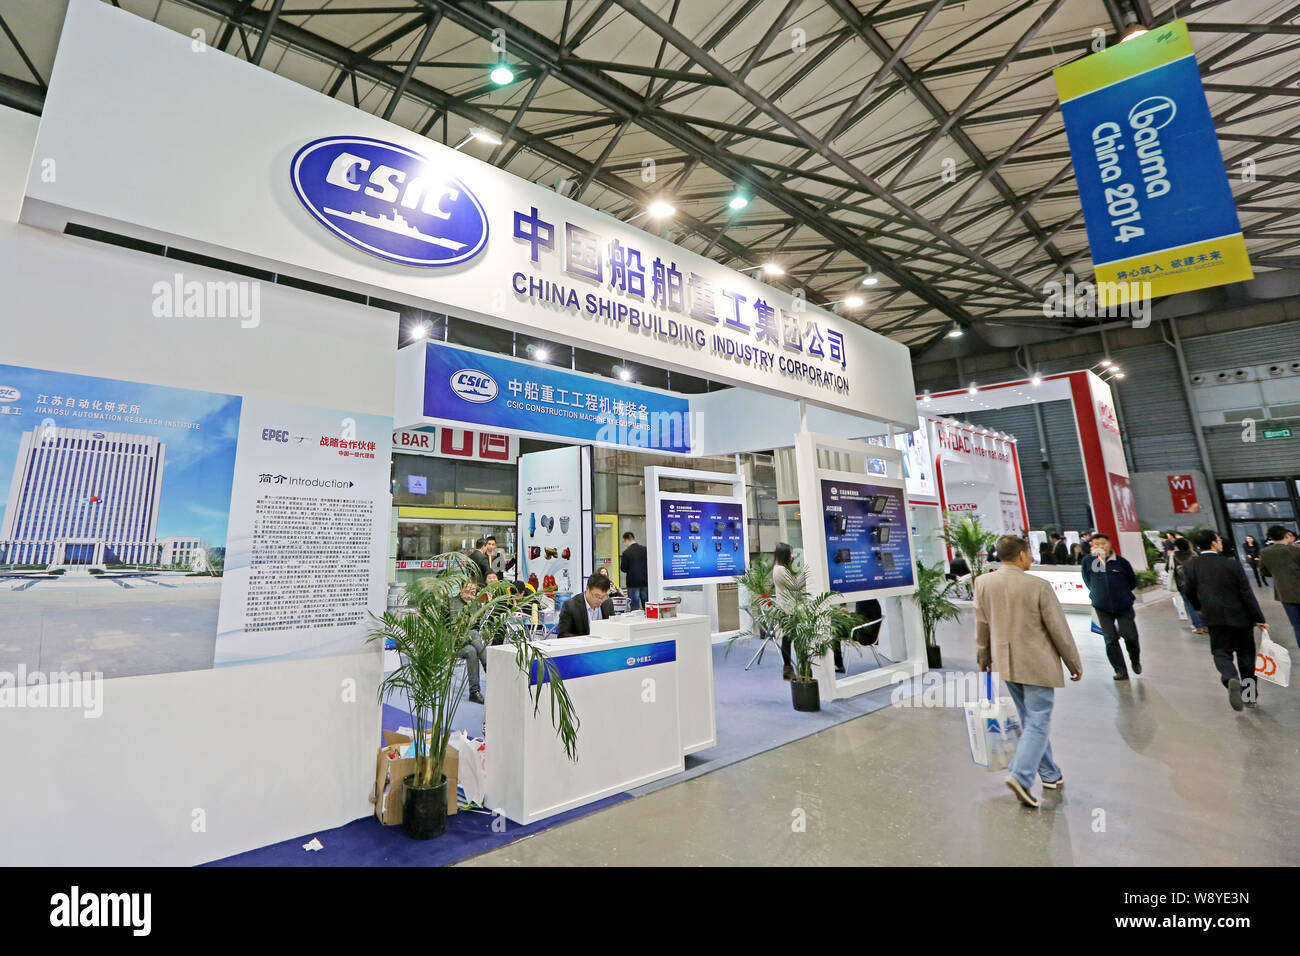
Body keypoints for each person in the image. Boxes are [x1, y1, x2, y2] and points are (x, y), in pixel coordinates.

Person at [974, 535, 1083, 808]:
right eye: (1029, 554)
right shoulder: (1038, 586)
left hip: (1005, 662)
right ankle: (1021, 776)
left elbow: (982, 626)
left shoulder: (983, 583)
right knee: (1038, 721)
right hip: (1036, 663)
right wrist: (1073, 663)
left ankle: (1049, 773)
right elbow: (1058, 630)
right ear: (1021, 555)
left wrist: (984, 658)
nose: (1032, 559)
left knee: (1031, 719)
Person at [1182, 529, 1268, 712]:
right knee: (1246, 658)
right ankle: (1250, 697)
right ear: (1214, 543)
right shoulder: (1232, 564)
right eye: (1219, 540)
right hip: (1241, 617)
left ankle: (1229, 677)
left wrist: (1200, 609)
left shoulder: (1191, 566)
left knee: (1221, 653)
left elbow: (1188, 592)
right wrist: (1258, 618)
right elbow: (1246, 593)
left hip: (1214, 618)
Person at [1079, 532, 1141, 681]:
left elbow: (1132, 582)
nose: (1100, 547)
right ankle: (1120, 670)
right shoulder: (1089, 561)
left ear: (1110, 544)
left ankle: (1135, 661)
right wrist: (1098, 593)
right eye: (1096, 544)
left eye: (1103, 543)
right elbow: (1088, 581)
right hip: (1102, 607)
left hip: (1123, 605)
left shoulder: (1121, 562)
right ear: (1091, 547)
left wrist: (1122, 593)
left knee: (1130, 636)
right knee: (1110, 639)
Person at [448, 580, 489, 704]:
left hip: (470, 644)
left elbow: (477, 625)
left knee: (471, 651)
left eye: (472, 592)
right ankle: (488, 666)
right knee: (473, 634)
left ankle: (474, 692)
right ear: (460, 589)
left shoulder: (475, 604)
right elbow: (449, 627)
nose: (469, 595)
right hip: (453, 642)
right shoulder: (451, 603)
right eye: (466, 592)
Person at [1259, 525, 1300, 646]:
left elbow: (1264, 572)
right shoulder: (1296, 550)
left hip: (1284, 593)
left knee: (1297, 626)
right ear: (1286, 535)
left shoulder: (1265, 552)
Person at [773, 542, 806, 681]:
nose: (792, 556)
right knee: (790, 640)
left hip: (787, 609)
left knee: (788, 639)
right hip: (788, 610)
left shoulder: (780, 568)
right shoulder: (781, 570)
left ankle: (789, 669)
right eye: (790, 553)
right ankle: (789, 669)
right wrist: (806, 574)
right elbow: (795, 586)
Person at [556, 573, 614, 637]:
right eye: (597, 596)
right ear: (587, 589)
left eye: (604, 596)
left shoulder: (608, 603)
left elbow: (613, 627)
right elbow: (562, 635)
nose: (600, 600)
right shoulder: (570, 606)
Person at [1170, 536, 1207, 633]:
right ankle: (1206, 625)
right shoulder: (1194, 554)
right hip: (1196, 581)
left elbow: (1169, 568)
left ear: (1177, 546)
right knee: (1200, 602)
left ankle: (1198, 626)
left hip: (1182, 583)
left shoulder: (1173, 556)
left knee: (1189, 604)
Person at [619, 531, 649, 610]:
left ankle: (636, 621)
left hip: (633, 583)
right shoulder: (645, 550)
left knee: (635, 606)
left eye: (624, 542)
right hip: (645, 582)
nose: (625, 544)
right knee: (647, 605)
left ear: (626, 540)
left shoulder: (626, 553)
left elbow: (623, 569)